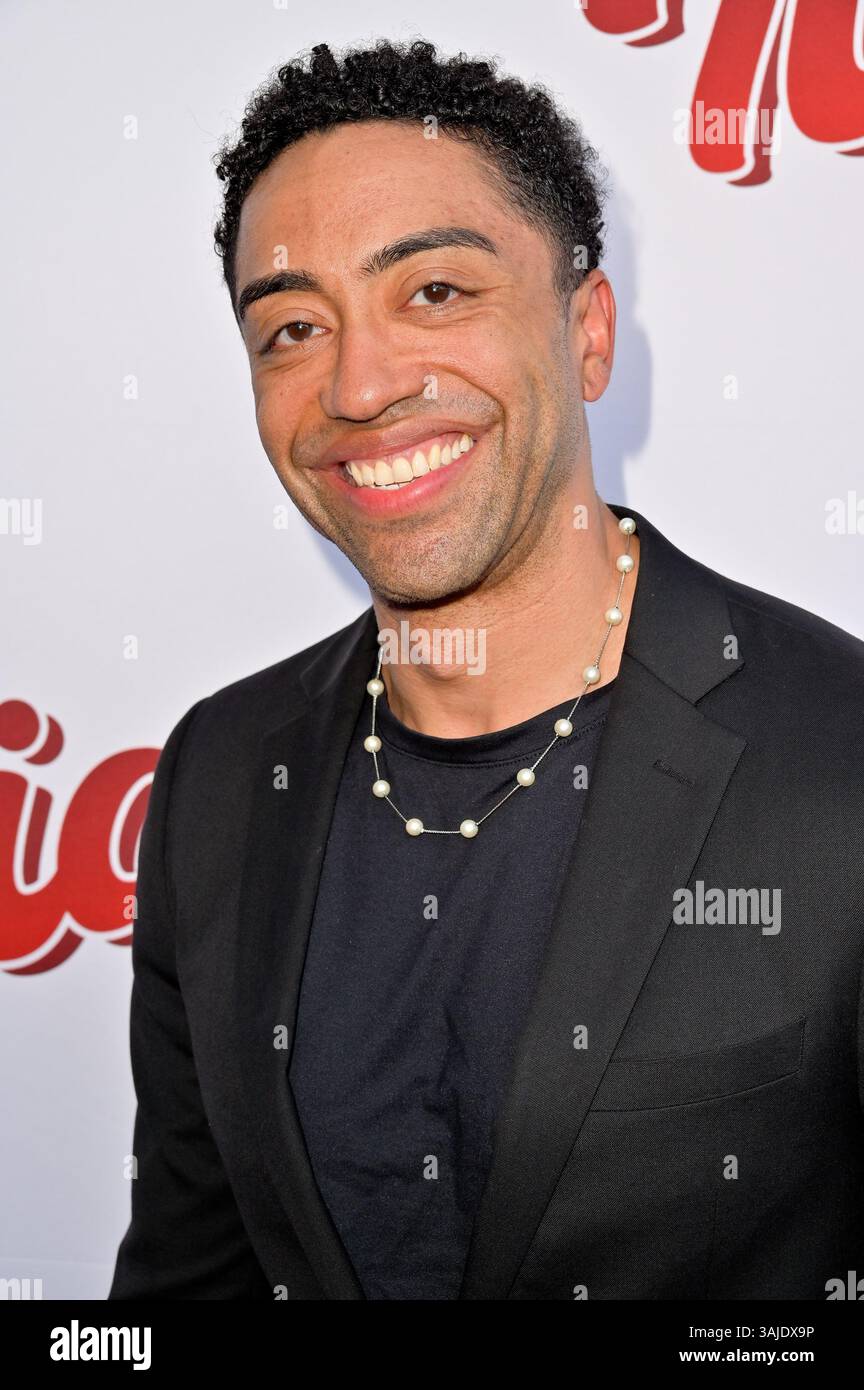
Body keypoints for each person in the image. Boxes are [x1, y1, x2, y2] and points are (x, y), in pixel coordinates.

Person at [109, 39, 864, 1301]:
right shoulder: (221, 772)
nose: (359, 383)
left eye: (437, 293)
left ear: (589, 333)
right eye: (293, 328)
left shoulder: (839, 748)